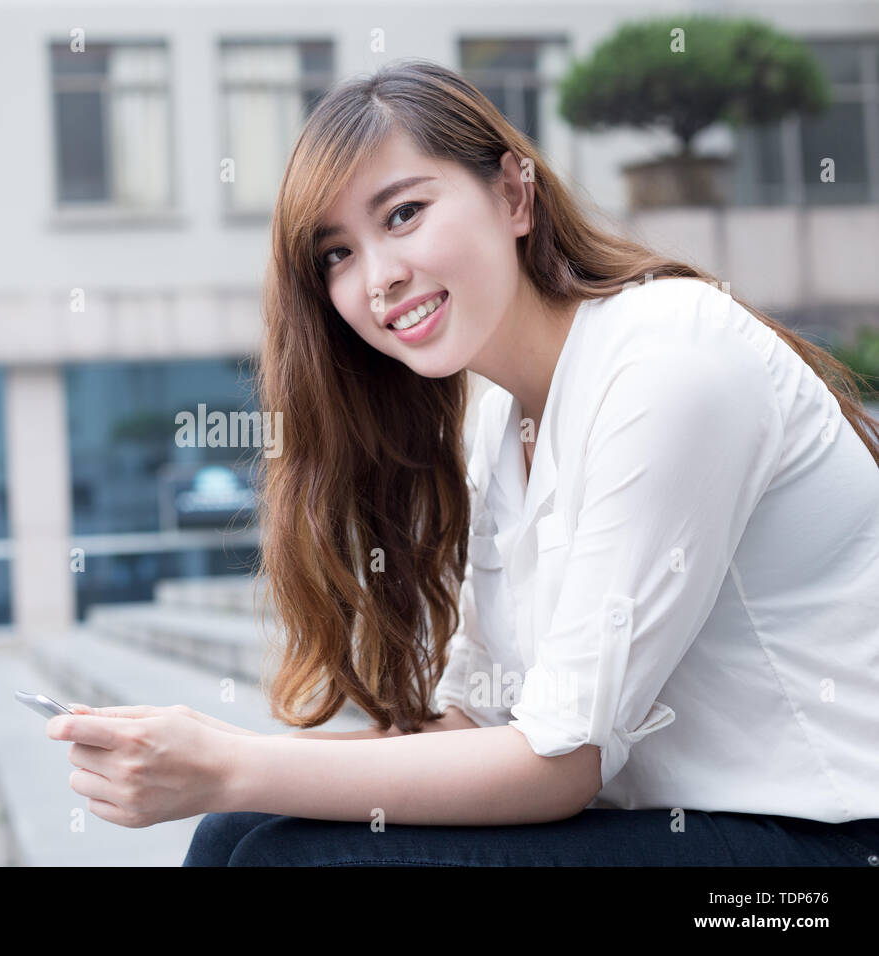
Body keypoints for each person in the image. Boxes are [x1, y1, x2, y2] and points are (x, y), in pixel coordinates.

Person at [47, 58, 879, 866]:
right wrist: (219, 761)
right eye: (337, 253)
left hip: (825, 843)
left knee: (291, 855)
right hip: (675, 824)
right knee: (241, 833)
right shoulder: (500, 425)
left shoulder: (668, 361)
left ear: (514, 194)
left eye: (403, 214)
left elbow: (559, 764)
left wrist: (226, 765)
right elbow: (481, 722)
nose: (378, 278)